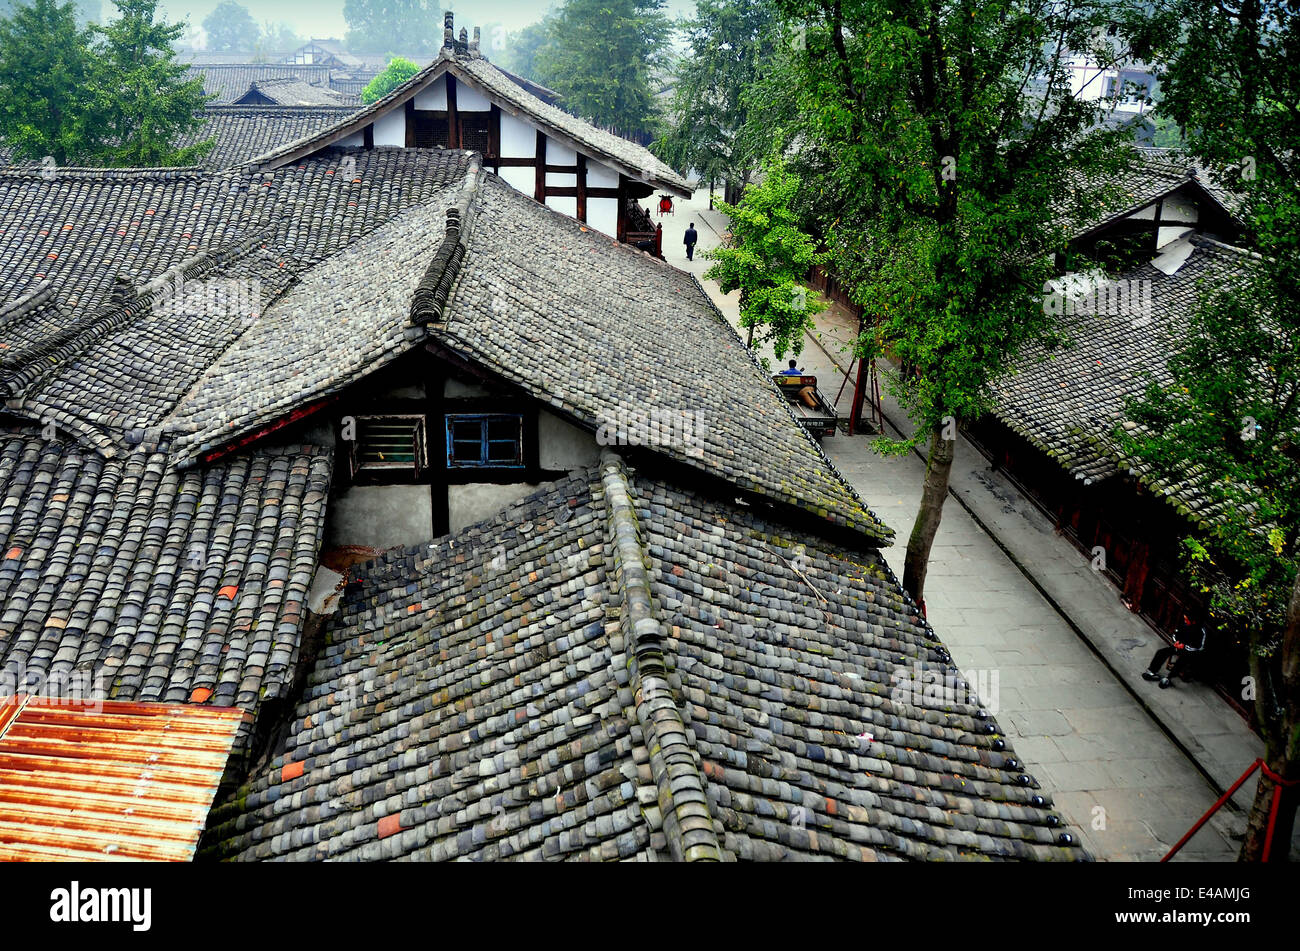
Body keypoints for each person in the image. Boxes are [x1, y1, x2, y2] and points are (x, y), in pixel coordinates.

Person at [1141, 613, 1208, 688]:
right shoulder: (1184, 624)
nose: (1185, 621)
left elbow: (1200, 647)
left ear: (1193, 621)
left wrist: (1184, 646)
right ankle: (1151, 672)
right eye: (1184, 618)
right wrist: (1176, 642)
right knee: (1161, 652)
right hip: (1179, 646)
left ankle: (1168, 678)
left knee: (1181, 661)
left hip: (1191, 653)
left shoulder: (1201, 631)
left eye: (1187, 619)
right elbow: (1175, 634)